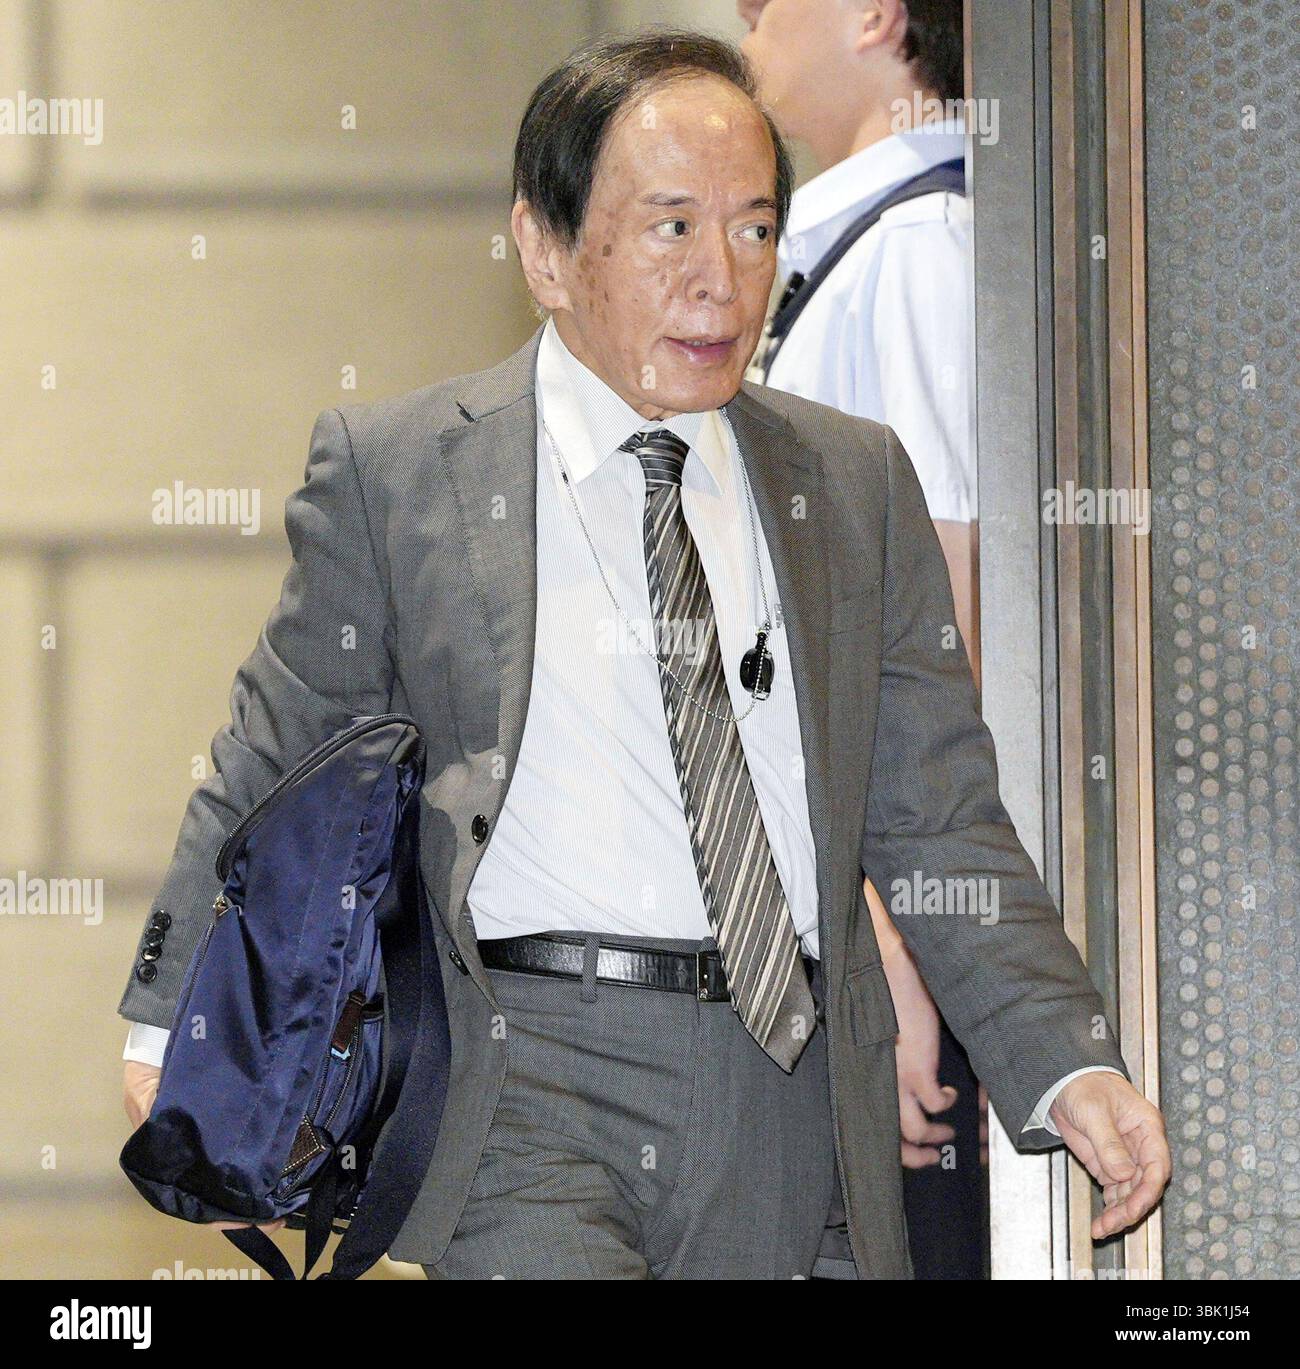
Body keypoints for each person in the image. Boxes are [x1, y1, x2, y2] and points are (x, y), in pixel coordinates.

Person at [120, 29, 1168, 1280]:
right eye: (672, 228)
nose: (724, 282)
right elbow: (275, 752)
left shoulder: (848, 483)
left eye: (754, 228)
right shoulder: (402, 473)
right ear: (548, 250)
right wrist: (169, 1020)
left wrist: (1067, 1055)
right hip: (526, 1087)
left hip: (793, 1089)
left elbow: (939, 814)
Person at [739, 0, 983, 1276]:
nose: (745, 22)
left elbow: (950, 628)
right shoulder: (858, 252)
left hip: (905, 960)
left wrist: (899, 945)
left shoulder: (917, 248)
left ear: (878, 14)